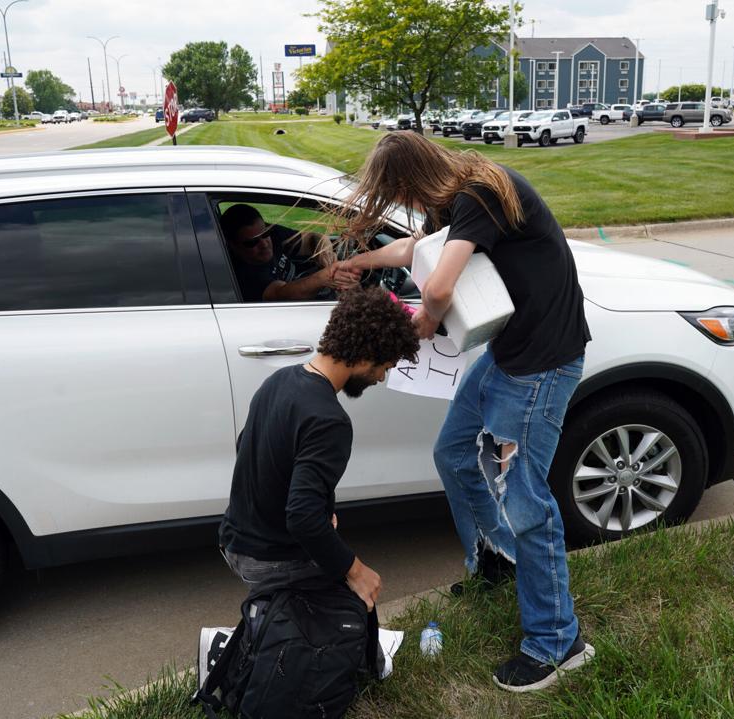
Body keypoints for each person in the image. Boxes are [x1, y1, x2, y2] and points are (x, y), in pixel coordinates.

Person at [338, 131, 593, 692]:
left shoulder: (479, 192)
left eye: (396, 192)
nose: (401, 203)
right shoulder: (459, 196)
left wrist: (422, 325)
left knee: (525, 497)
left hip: (541, 364)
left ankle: (557, 642)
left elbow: (439, 288)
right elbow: (416, 251)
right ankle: (496, 561)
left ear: (412, 178)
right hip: (510, 354)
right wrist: (365, 259)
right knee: (452, 452)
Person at [218, 287, 421, 610]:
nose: (381, 378)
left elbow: (248, 444)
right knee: (339, 624)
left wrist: (319, 508)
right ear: (367, 354)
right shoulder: (330, 421)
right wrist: (356, 571)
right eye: (385, 366)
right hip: (272, 559)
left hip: (234, 540)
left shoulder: (279, 380)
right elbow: (302, 517)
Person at [220, 203, 361, 302]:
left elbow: (312, 238)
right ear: (233, 246)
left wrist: (325, 252)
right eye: (252, 243)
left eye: (265, 233)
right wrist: (324, 276)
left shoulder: (272, 236)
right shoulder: (244, 276)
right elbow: (283, 294)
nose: (264, 244)